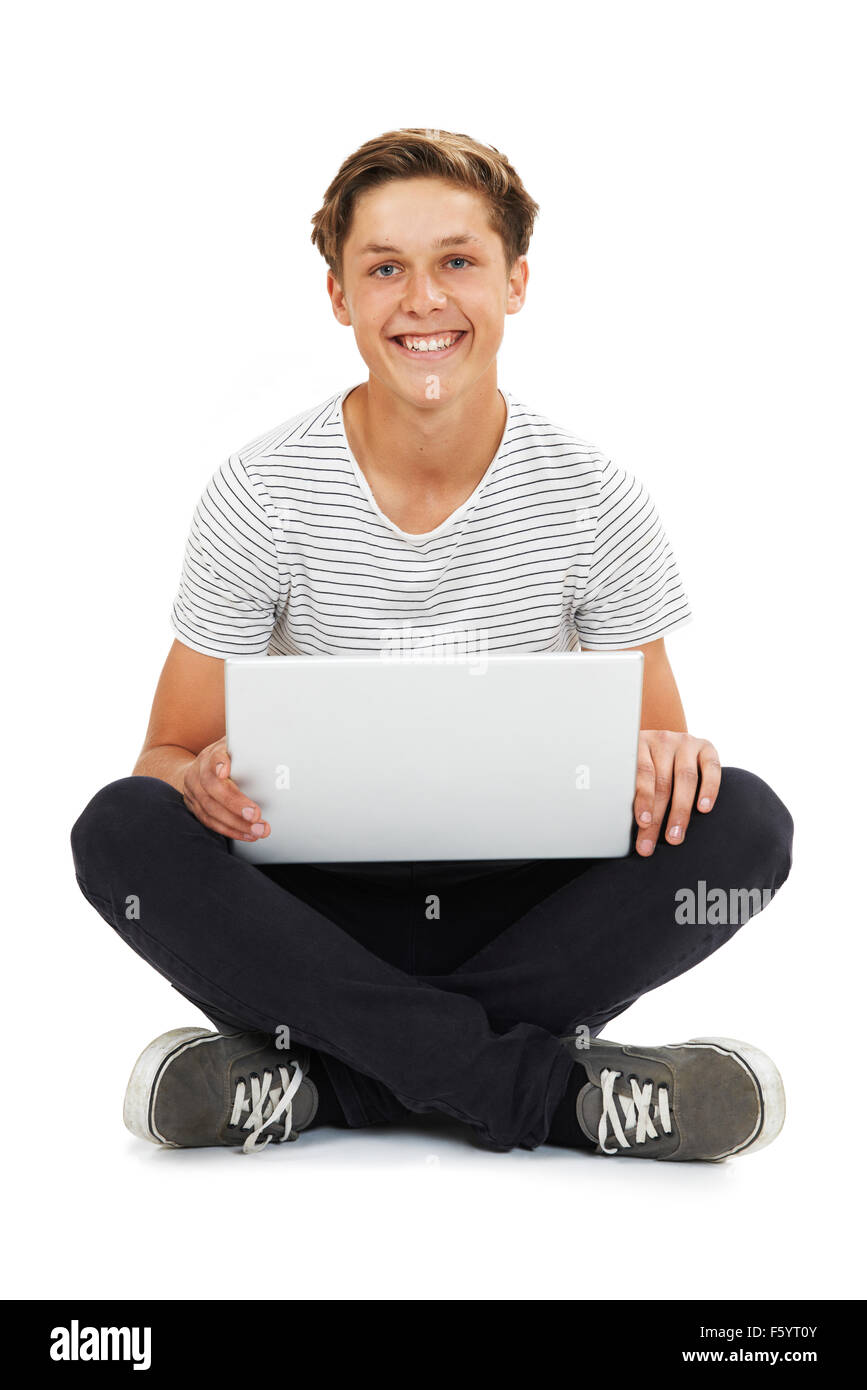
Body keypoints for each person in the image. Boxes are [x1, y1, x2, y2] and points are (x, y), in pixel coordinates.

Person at [70, 128, 794, 1161]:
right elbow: (163, 761)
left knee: (747, 825)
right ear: (340, 296)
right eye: (384, 269)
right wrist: (200, 782)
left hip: (521, 913)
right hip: (317, 917)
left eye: (457, 261)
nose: (423, 301)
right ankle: (547, 1095)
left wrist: (671, 761)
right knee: (121, 828)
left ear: (515, 282)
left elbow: (664, 777)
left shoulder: (594, 498)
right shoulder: (261, 493)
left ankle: (330, 1083)